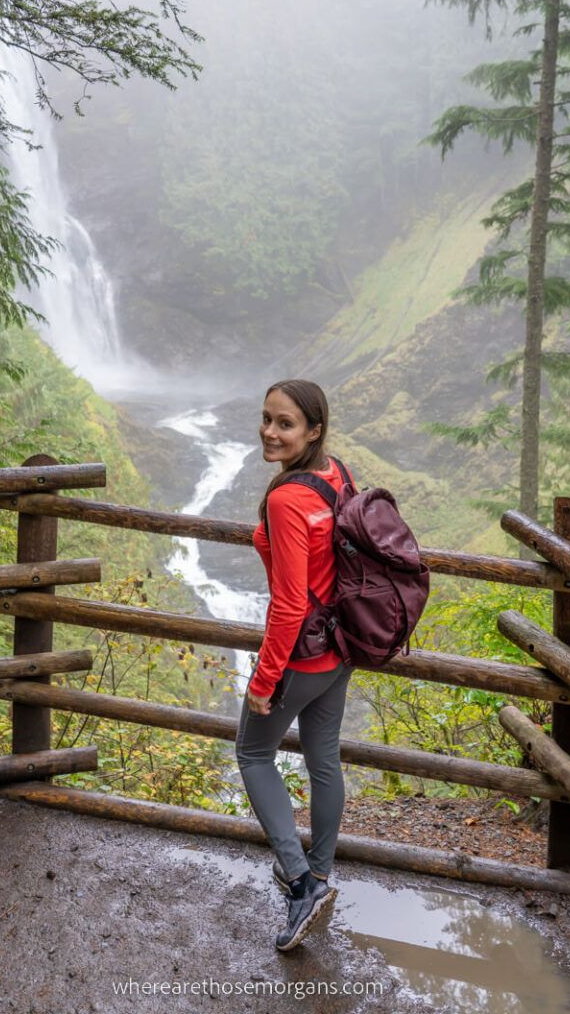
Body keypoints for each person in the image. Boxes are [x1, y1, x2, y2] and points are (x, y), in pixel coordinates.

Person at [235, 378, 354, 953]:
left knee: (253, 753)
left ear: (313, 430)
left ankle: (302, 882)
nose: (270, 431)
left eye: (285, 423)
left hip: (301, 657)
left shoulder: (286, 500)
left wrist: (264, 680)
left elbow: (287, 602)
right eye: (266, 419)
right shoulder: (338, 476)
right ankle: (322, 875)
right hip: (341, 648)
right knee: (322, 756)